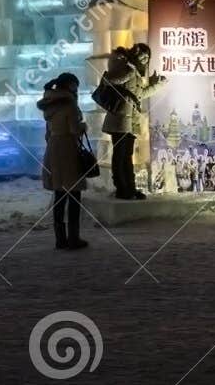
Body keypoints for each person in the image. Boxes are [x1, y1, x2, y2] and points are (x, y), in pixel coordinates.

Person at [40, 72, 91, 251]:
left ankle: (60, 239)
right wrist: (84, 126)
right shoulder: (69, 104)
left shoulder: (49, 104)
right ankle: (74, 238)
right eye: (76, 85)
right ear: (70, 85)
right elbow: (74, 129)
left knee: (60, 195)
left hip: (53, 148)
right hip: (68, 150)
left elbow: (48, 132)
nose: (77, 89)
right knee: (74, 194)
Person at [98, 47, 142, 200]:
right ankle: (122, 188)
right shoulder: (128, 69)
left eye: (145, 58)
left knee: (126, 155)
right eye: (141, 56)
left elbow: (139, 95)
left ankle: (130, 187)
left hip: (129, 120)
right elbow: (109, 80)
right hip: (120, 119)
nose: (143, 60)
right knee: (121, 155)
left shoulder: (133, 71)